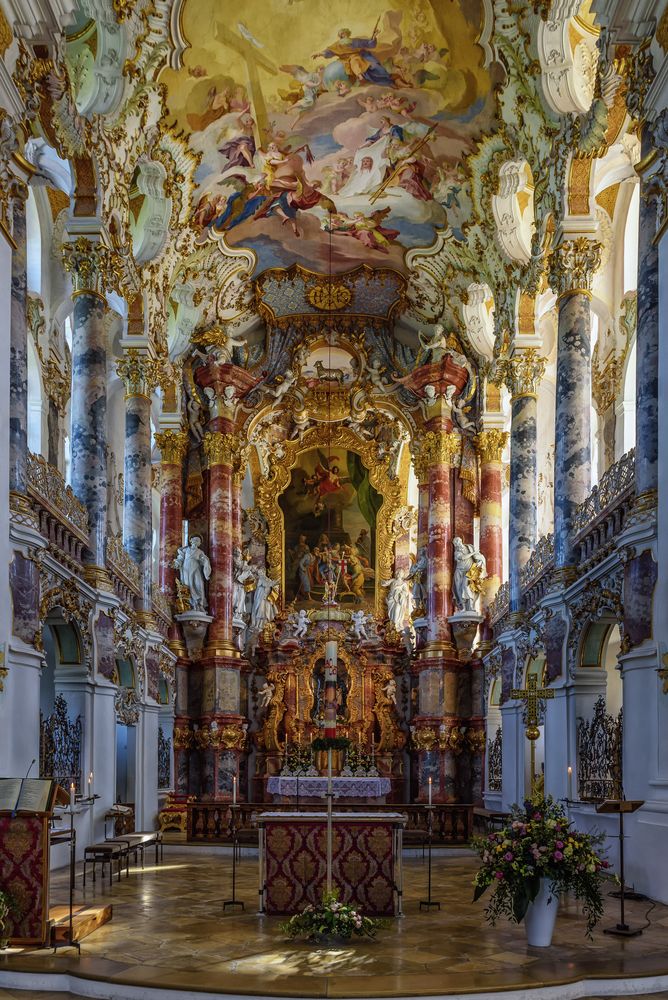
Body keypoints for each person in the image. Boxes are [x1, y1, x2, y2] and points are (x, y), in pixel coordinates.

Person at [173, 537, 211, 612]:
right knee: (188, 586)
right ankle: (191, 605)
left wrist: (205, 561)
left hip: (196, 569)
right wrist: (177, 563)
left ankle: (199, 604)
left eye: (198, 540)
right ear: (190, 541)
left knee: (199, 585)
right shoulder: (185, 550)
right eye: (194, 539)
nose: (196, 541)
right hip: (186, 569)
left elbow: (204, 561)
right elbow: (180, 558)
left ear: (200, 543)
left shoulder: (200, 552)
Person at [452, 536, 487, 613]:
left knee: (466, 586)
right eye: (455, 543)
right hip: (459, 572)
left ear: (461, 540)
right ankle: (463, 607)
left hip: (470, 572)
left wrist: (479, 559)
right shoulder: (457, 552)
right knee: (459, 590)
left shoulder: (469, 547)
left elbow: (477, 556)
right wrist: (473, 553)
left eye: (458, 541)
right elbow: (463, 558)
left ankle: (470, 606)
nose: (457, 544)